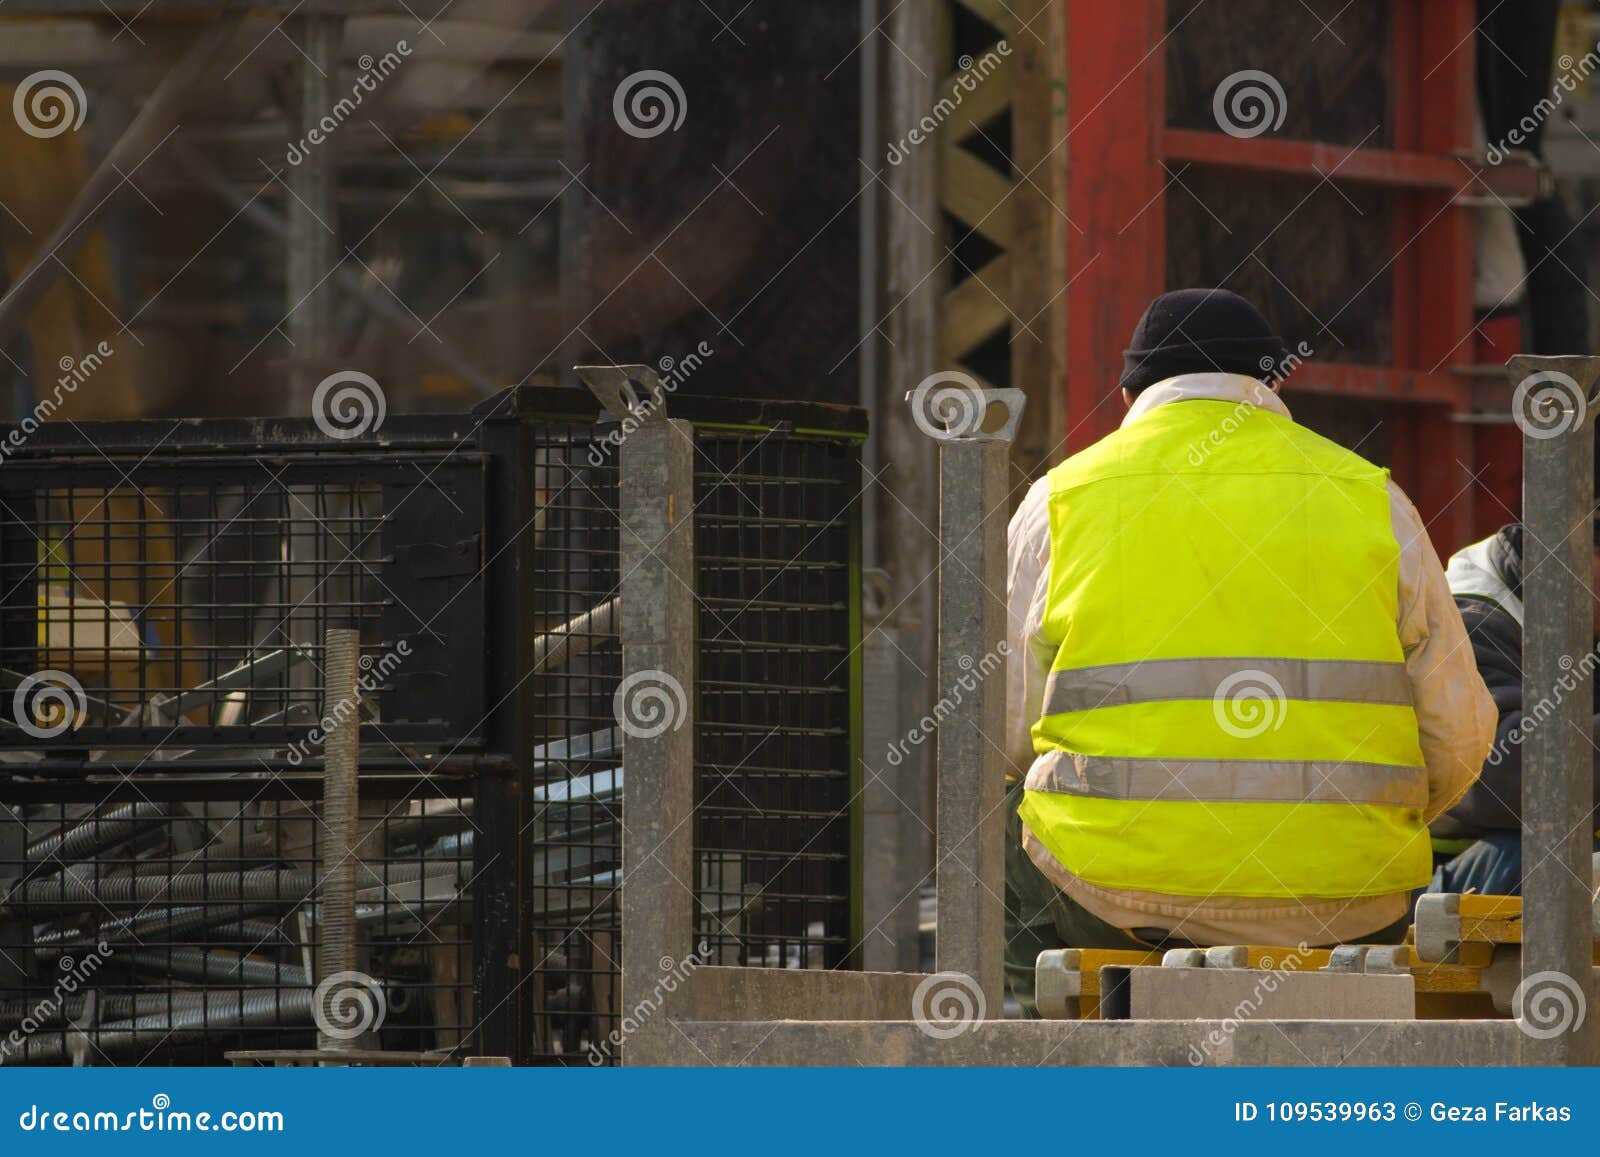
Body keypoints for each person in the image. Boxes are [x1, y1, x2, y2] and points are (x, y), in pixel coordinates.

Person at [1002, 288, 1496, 1015]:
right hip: (1347, 901)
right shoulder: (1372, 499)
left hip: (1112, 894)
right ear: (1271, 382)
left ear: (1131, 393)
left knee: (999, 828)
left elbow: (1002, 734)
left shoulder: (1062, 499)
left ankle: (1034, 1086)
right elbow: (1460, 733)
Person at [1433, 518, 1600, 895]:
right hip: (1442, 880)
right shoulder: (1470, 618)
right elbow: (1501, 777)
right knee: (1549, 848)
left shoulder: (1579, 613)